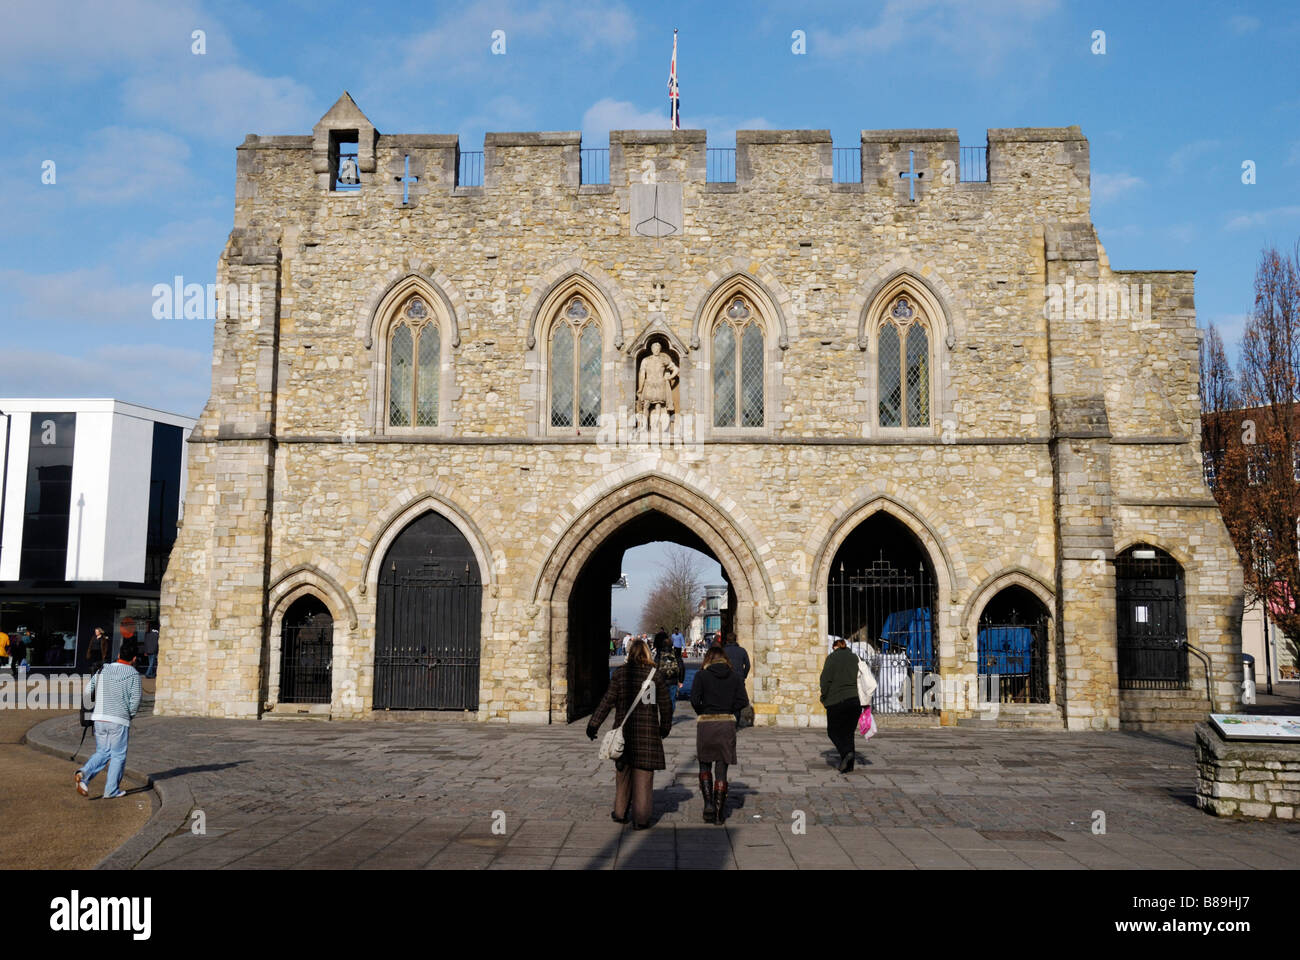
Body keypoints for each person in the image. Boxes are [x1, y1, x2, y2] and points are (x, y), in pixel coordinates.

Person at [586, 638, 672, 829]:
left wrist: (594, 724)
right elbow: (666, 705)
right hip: (648, 734)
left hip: (624, 733)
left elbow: (607, 701)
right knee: (643, 777)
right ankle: (641, 819)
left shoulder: (620, 674)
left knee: (623, 775)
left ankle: (620, 812)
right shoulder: (655, 675)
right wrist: (665, 727)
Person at [75, 637, 144, 800]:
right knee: (118, 755)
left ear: (119, 653)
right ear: (134, 659)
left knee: (103, 751)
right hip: (119, 719)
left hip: (99, 717)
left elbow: (88, 690)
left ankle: (84, 773)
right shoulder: (134, 675)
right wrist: (129, 715)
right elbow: (135, 701)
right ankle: (111, 790)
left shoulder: (102, 670)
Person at [690, 644, 749, 823]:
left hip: (707, 724)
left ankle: (708, 803)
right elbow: (743, 701)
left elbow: (694, 699)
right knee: (721, 769)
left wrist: (703, 710)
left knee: (704, 765)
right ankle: (718, 813)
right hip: (726, 724)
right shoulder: (735, 677)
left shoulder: (701, 676)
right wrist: (729, 709)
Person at [820, 637, 861, 772]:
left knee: (833, 731)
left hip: (836, 701)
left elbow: (825, 680)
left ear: (834, 647)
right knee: (848, 733)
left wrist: (824, 697)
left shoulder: (832, 658)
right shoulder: (855, 658)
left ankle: (845, 753)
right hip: (855, 700)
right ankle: (849, 765)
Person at [653, 635, 684, 713]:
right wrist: (681, 680)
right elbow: (681, 667)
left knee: (662, 699)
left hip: (661, 680)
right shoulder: (676, 654)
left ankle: (663, 715)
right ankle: (670, 716)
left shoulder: (659, 654)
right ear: (672, 645)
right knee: (672, 699)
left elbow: (654, 667)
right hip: (673, 680)